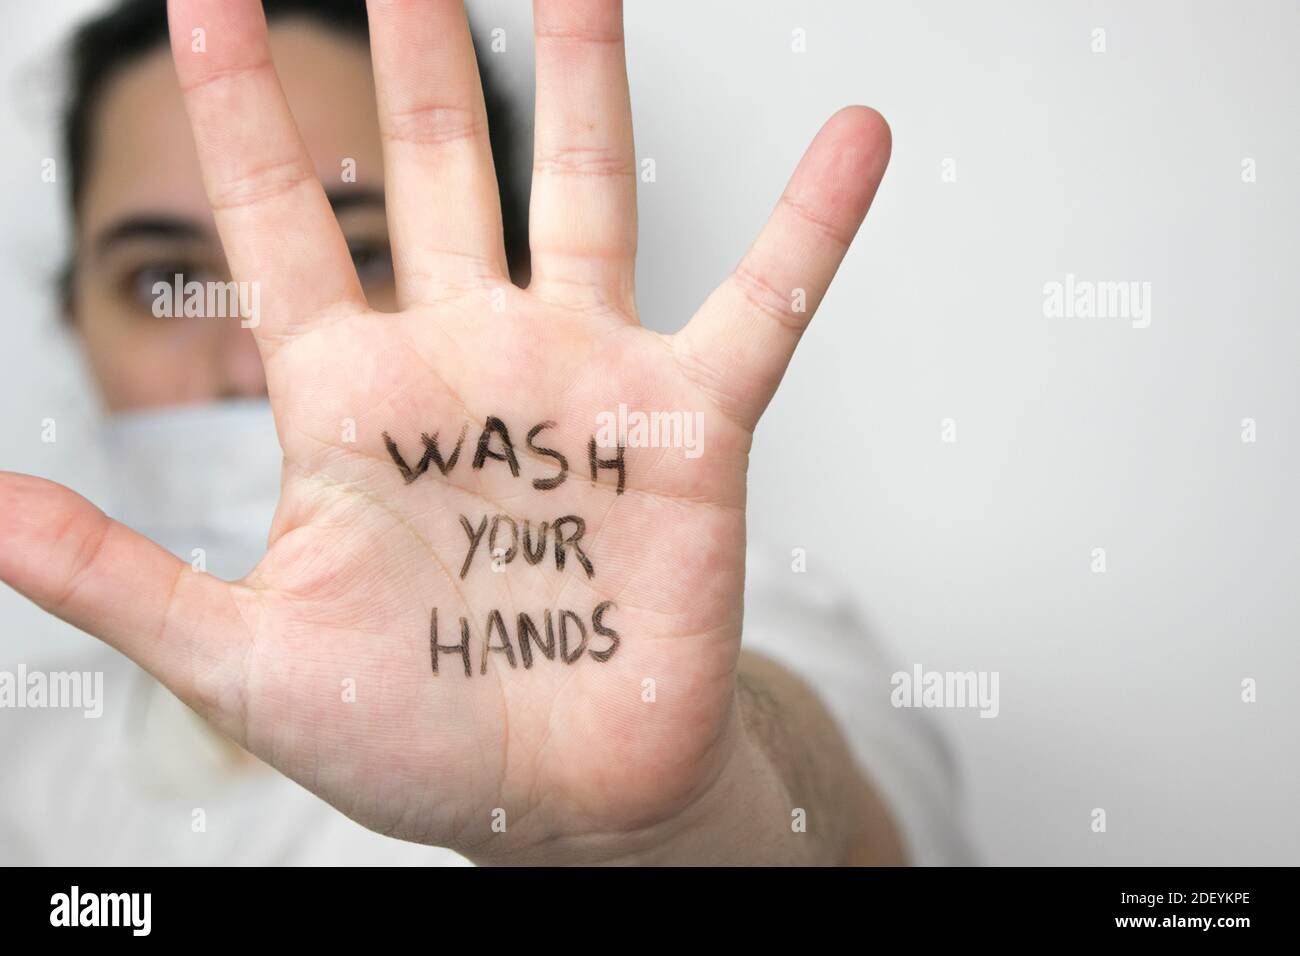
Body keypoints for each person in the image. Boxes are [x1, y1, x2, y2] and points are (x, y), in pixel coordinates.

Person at [0, 0, 970, 865]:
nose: (246, 366)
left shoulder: (707, 628)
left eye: (362, 250)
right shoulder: (27, 769)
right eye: (165, 282)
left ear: (504, 270)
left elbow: (837, 820)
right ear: (72, 319)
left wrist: (689, 822)